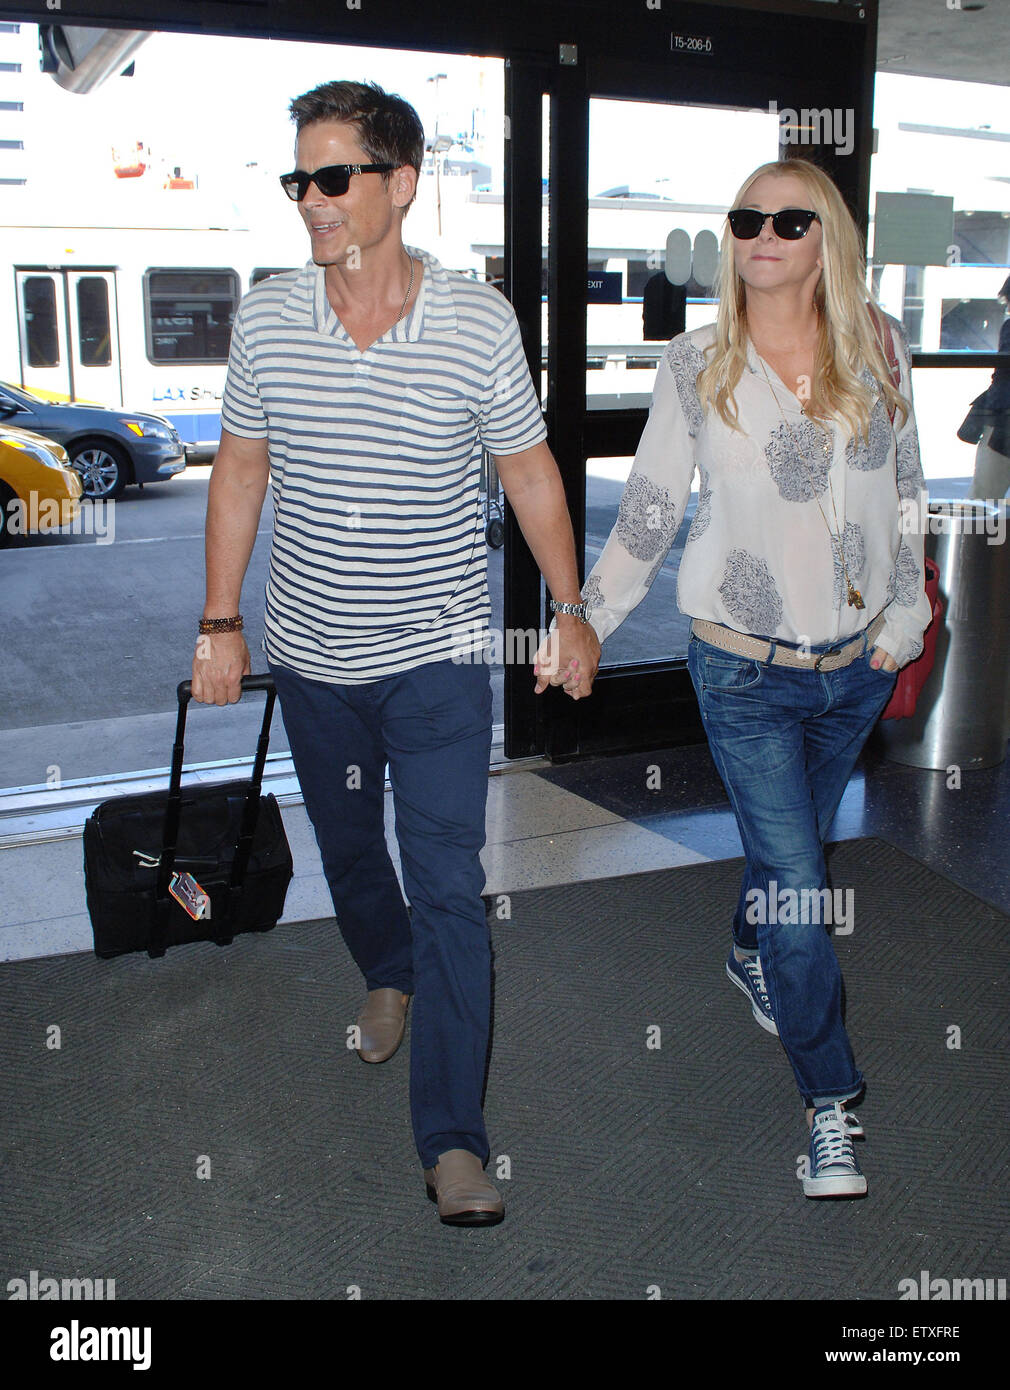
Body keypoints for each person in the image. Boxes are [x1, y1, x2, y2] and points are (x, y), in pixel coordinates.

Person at [190, 79, 598, 1226]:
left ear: (400, 184)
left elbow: (525, 469)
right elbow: (239, 469)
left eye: (334, 179)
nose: (311, 202)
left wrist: (569, 605)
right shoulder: (269, 315)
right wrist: (220, 620)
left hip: (436, 659)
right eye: (299, 181)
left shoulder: (475, 321)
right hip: (314, 653)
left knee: (449, 883)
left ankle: (454, 1141)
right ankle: (385, 969)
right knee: (349, 850)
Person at [576, 157, 932, 1198]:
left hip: (856, 665)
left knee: (791, 859)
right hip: (739, 669)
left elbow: (903, 489)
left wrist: (905, 613)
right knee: (799, 883)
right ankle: (828, 1103)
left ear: (825, 238)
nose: (761, 234)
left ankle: (746, 949)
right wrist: (586, 621)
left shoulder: (877, 347)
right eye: (744, 218)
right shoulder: (696, 365)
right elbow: (647, 507)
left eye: (787, 219)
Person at [966, 275, 1010, 501]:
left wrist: (988, 412)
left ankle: (977, 538)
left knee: (983, 501)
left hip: (1003, 424)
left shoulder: (1009, 327)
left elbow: (1003, 377)